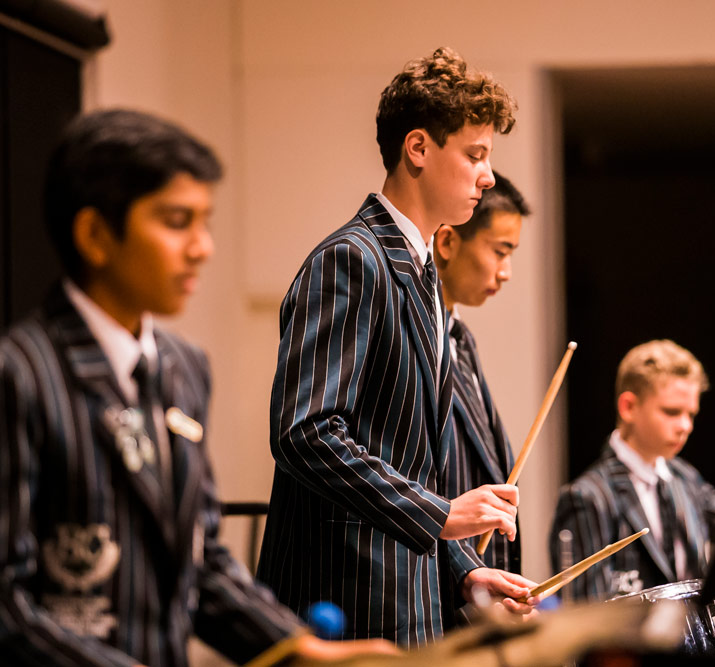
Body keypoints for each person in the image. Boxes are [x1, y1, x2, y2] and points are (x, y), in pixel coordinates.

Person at [0, 109, 395, 667]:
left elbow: (201, 562)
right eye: (176, 222)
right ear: (95, 235)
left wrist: (300, 649)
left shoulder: (184, 368)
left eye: (204, 222)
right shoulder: (19, 375)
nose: (203, 247)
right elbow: (7, 608)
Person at [256, 48, 537, 647]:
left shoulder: (425, 272)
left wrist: (464, 572)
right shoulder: (351, 259)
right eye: (476, 155)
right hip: (343, 606)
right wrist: (442, 514)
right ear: (418, 149)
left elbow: (410, 464)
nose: (488, 176)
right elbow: (306, 433)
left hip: (410, 607)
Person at [549, 339, 715, 602]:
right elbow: (587, 613)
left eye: (691, 414)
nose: (685, 426)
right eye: (672, 412)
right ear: (629, 407)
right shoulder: (586, 497)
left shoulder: (685, 478)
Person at [433, 173, 529, 615]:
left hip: (470, 590)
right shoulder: (418, 336)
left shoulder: (461, 339)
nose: (505, 272)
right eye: (499, 251)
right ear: (447, 242)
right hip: (430, 596)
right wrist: (464, 570)